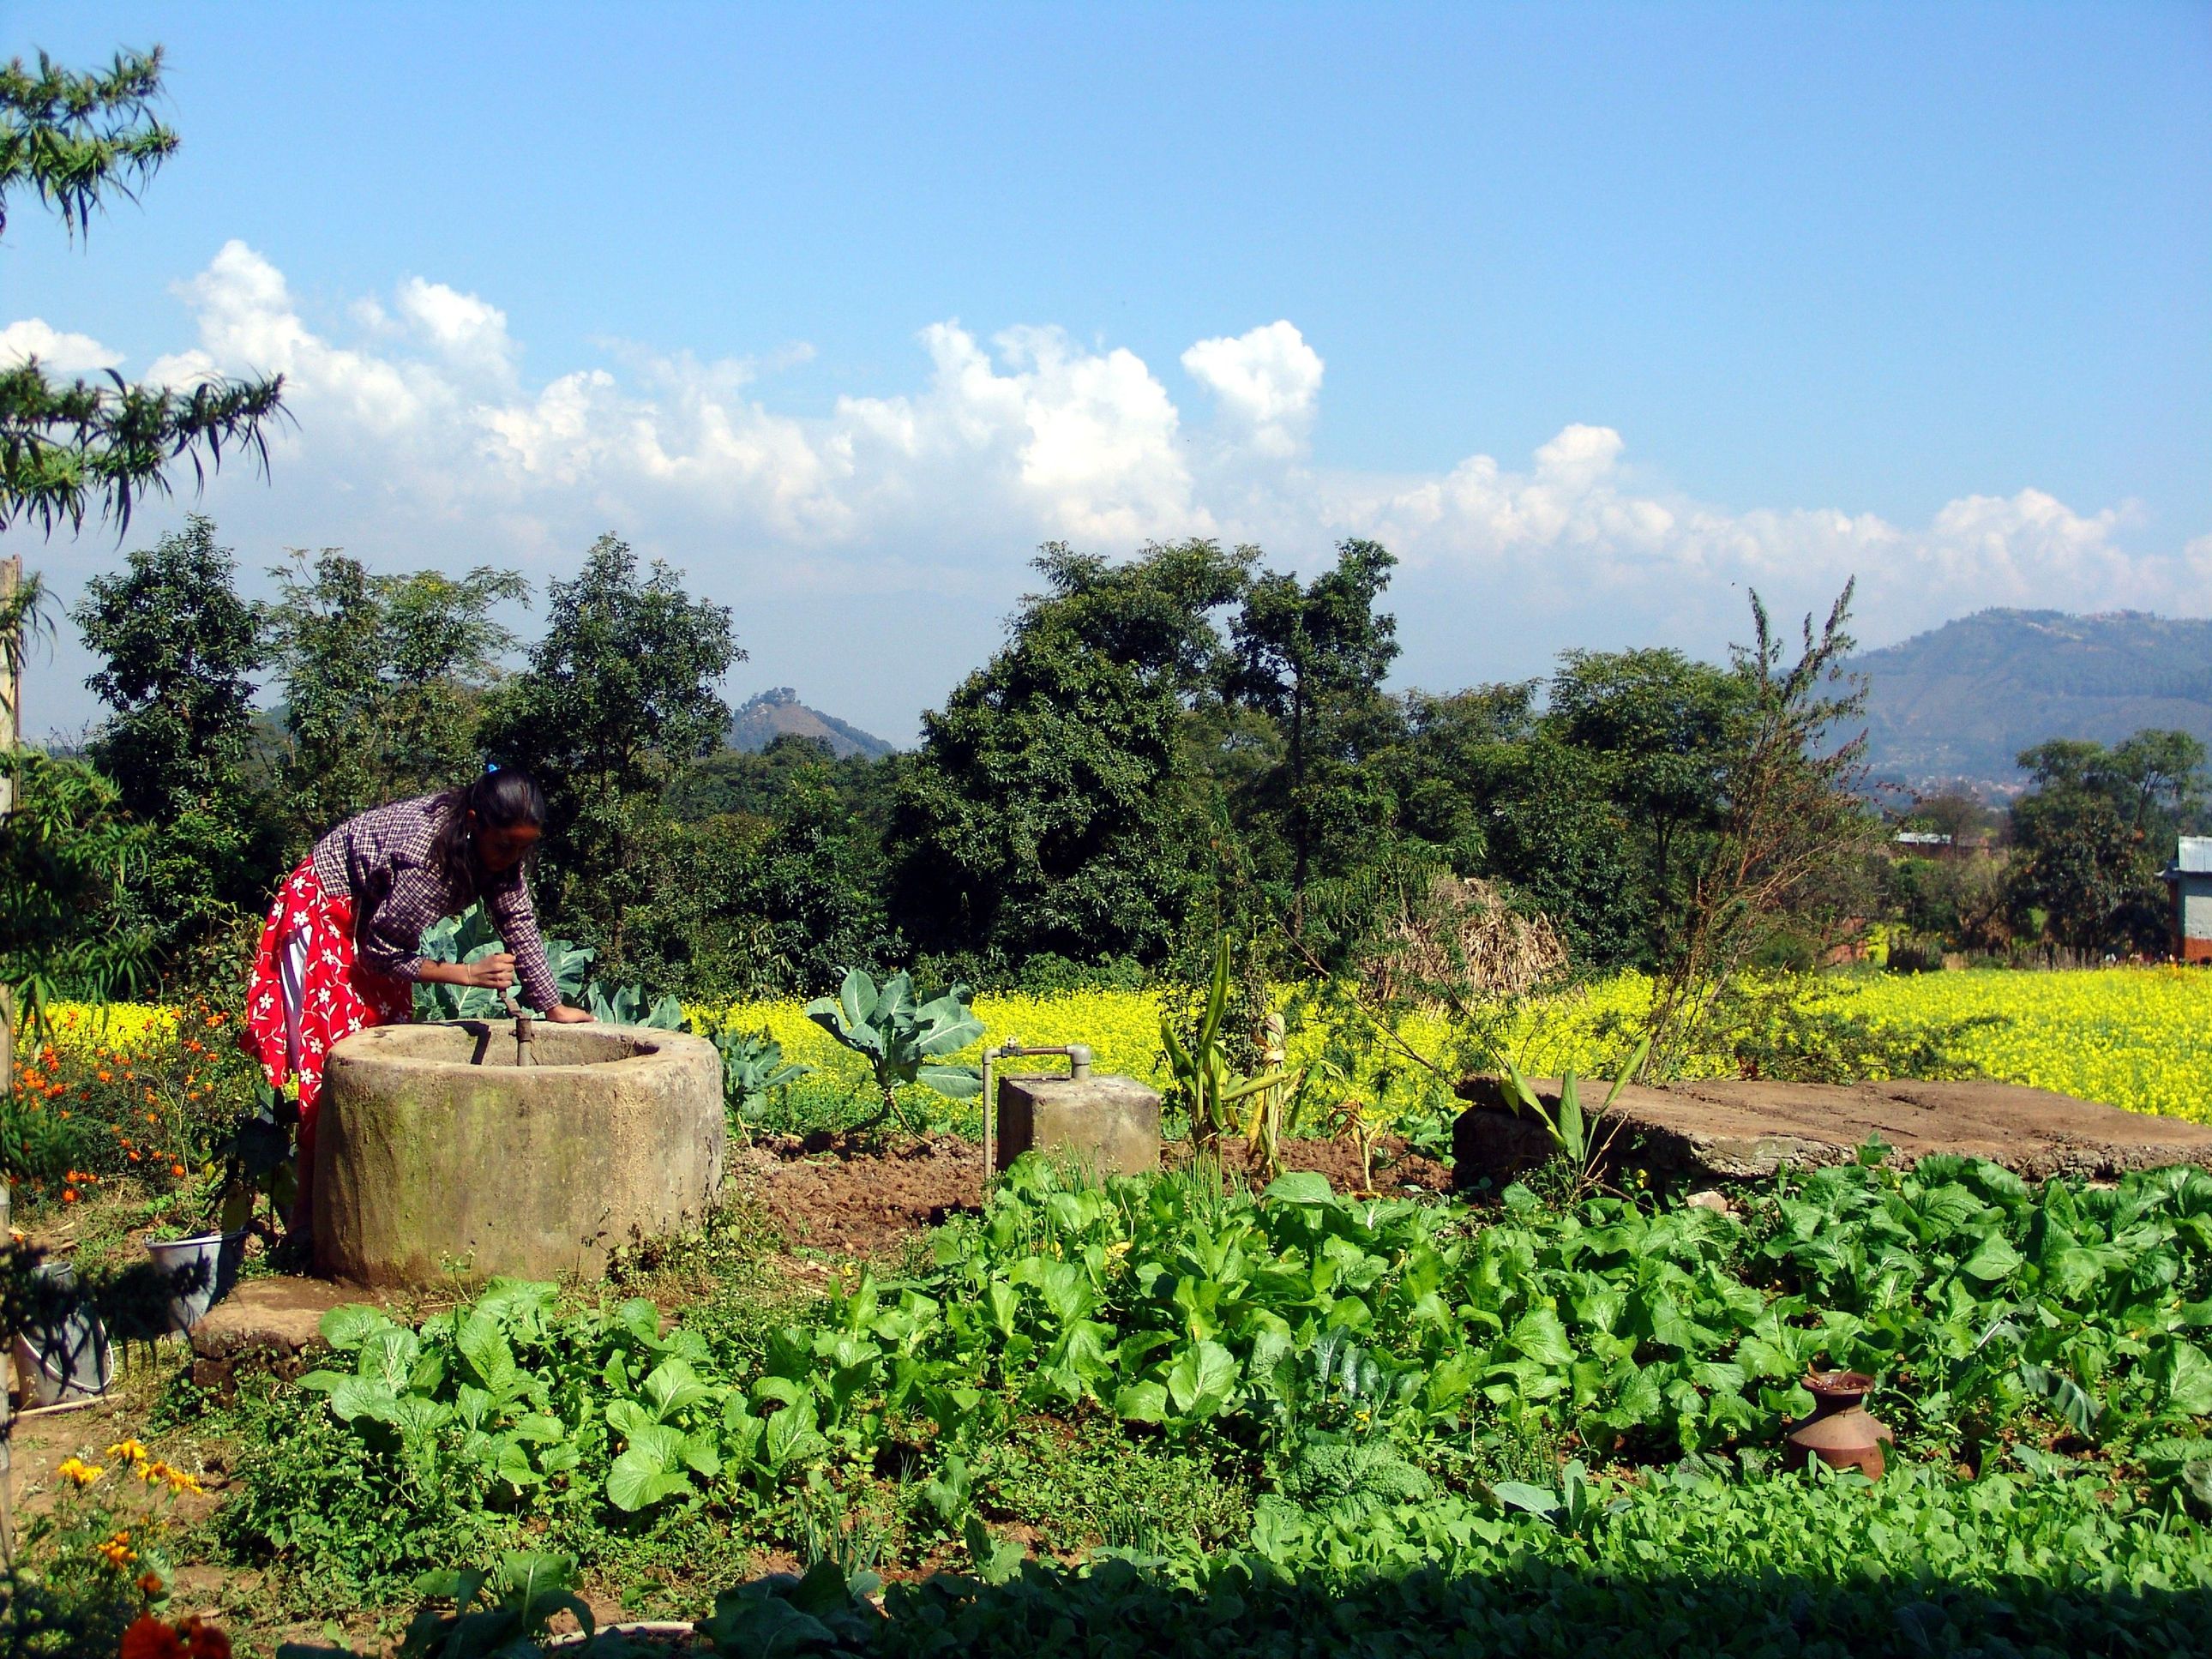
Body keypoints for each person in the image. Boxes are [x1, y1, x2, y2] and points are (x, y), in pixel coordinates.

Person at [241, 767, 592, 1229]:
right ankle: (309, 1229)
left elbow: (517, 919)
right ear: (474, 822)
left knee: (379, 1045)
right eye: (506, 846)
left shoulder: (496, 851)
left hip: (375, 922)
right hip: (329, 910)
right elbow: (379, 954)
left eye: (524, 849)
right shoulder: (429, 863)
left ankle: (361, 1213)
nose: (513, 859)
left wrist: (552, 1005)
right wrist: (465, 973)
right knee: (333, 1065)